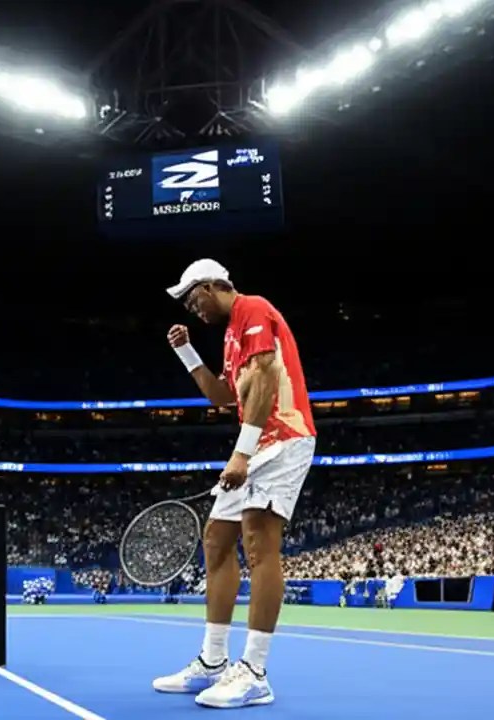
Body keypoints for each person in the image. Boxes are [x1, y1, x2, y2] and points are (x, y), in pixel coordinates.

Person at [153, 258, 317, 709]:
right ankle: (212, 661)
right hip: (257, 443)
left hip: (283, 439)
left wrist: (242, 452)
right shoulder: (229, 336)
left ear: (210, 287)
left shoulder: (253, 309)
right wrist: (187, 352)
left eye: (192, 298)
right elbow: (224, 397)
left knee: (259, 542)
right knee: (216, 540)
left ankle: (255, 672)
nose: (191, 308)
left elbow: (265, 377)